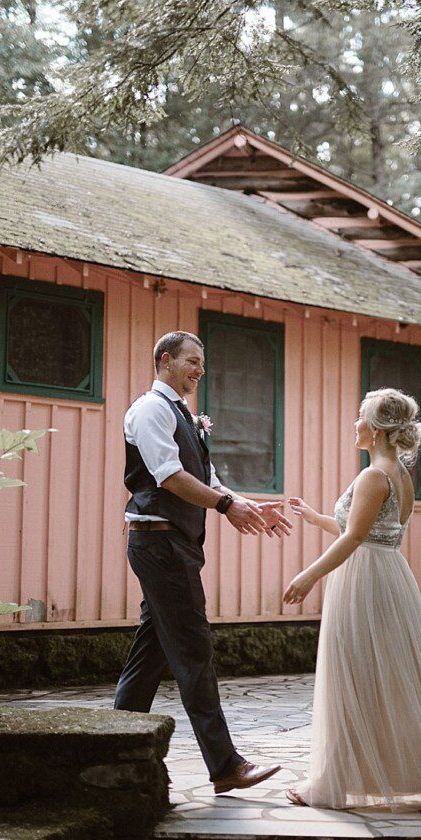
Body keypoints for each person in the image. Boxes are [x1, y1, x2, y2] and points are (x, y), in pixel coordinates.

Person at [281, 387, 421, 813]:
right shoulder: (398, 475)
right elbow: (367, 531)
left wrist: (309, 575)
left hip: (365, 581)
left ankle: (333, 782)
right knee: (392, 677)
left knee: (353, 675)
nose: (354, 423)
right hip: (388, 575)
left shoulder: (374, 477)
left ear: (375, 431)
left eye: (360, 416)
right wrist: (313, 516)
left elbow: (357, 537)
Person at [115, 330, 291, 794]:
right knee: (194, 651)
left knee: (150, 653)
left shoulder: (184, 415)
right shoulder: (151, 409)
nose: (200, 370)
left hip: (176, 544)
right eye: (192, 361)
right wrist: (225, 507)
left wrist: (247, 505)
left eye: (203, 364)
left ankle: (110, 745)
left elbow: (207, 478)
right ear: (165, 360)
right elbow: (169, 477)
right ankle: (226, 766)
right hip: (160, 543)